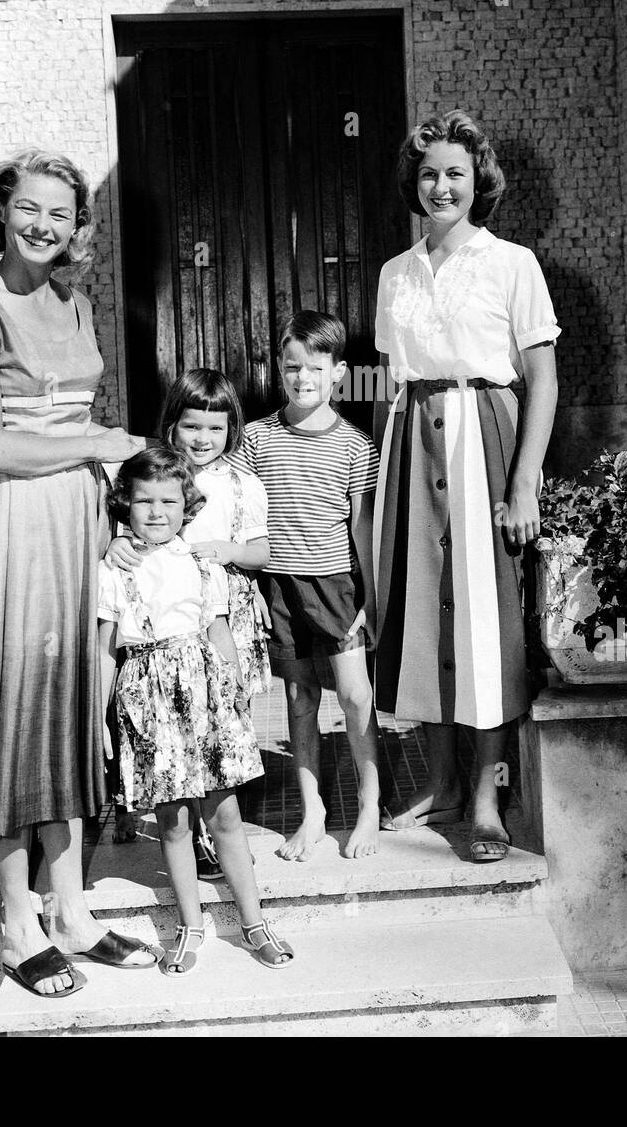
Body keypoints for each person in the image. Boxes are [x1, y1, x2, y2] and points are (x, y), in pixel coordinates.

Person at [0, 148, 159, 998]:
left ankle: (72, 911)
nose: (44, 226)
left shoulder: (76, 299)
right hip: (13, 523)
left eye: (61, 213)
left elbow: (77, 413)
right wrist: (97, 444)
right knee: (11, 714)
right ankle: (17, 922)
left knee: (66, 710)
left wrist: (112, 502)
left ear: (77, 226)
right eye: (28, 208)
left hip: (74, 521)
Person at [372, 110, 560, 862]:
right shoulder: (395, 272)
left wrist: (525, 486)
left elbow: (542, 380)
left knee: (485, 624)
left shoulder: (512, 263)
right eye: (427, 173)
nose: (440, 185)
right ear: (412, 186)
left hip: (487, 434)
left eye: (454, 171)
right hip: (412, 440)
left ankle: (486, 799)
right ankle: (443, 782)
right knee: (423, 619)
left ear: (478, 179)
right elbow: (392, 381)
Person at [98, 446, 293, 973]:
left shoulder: (204, 565)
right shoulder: (115, 569)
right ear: (125, 504)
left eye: (168, 501)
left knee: (226, 815)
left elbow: (220, 635)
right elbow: (105, 648)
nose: (156, 512)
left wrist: (236, 707)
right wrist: (99, 717)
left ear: (188, 506)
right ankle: (190, 924)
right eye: (144, 501)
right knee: (174, 821)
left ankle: (254, 921)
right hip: (148, 699)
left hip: (209, 699)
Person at [106, 368, 271, 878]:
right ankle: (189, 835)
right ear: (172, 425)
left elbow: (261, 550)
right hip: (158, 616)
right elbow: (123, 531)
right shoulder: (153, 473)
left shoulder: (241, 483)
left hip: (220, 608)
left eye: (215, 428)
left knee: (221, 727)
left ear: (231, 429)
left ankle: (225, 830)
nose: (202, 439)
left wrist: (230, 552)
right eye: (191, 426)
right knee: (169, 729)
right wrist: (114, 544)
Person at [233, 311, 381, 862]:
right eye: (291, 367)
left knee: (354, 696)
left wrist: (372, 597)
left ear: (338, 372)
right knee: (299, 698)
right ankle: (312, 812)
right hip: (281, 587)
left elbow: (360, 527)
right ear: (278, 368)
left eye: (315, 368)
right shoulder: (255, 439)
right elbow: (239, 512)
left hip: (337, 587)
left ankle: (368, 805)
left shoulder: (355, 446)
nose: (302, 378)